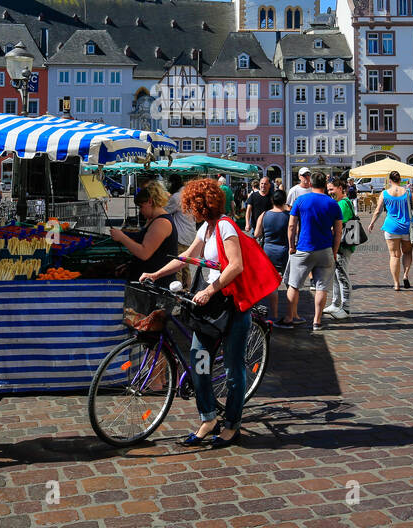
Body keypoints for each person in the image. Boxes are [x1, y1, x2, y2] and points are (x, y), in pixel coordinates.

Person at [139, 178, 249, 448]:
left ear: (204, 205)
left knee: (234, 371)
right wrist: (156, 273)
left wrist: (210, 290)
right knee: (199, 364)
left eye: (193, 206)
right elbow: (186, 256)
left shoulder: (225, 226)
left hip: (232, 306)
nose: (190, 211)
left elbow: (236, 266)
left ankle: (232, 425)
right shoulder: (206, 229)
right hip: (209, 308)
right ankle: (208, 418)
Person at [284, 171, 343, 333]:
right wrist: (334, 251)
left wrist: (291, 245)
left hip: (303, 247)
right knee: (321, 287)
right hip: (324, 250)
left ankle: (289, 318)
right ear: (325, 184)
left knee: (294, 285)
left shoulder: (301, 200)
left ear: (310, 184)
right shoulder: (333, 204)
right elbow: (338, 232)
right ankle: (317, 321)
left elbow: (291, 226)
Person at [109, 181, 177, 279]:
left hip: (156, 283)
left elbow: (144, 253)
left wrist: (122, 237)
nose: (140, 210)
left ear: (150, 201)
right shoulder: (152, 219)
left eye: (141, 206)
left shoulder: (161, 223)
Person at [365, 170, 413, 290]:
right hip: (407, 227)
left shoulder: (384, 193)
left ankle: (396, 283)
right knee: (407, 252)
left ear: (390, 180)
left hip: (391, 227)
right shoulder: (408, 192)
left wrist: (372, 223)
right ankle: (405, 275)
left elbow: (378, 210)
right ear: (400, 180)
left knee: (394, 256)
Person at [258, 189, 292, 322]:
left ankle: (274, 314)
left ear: (272, 200)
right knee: (290, 283)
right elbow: (294, 232)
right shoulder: (289, 216)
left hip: (268, 251)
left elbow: (257, 234)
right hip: (284, 251)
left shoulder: (265, 214)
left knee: (273, 285)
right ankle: (291, 313)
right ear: (284, 201)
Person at [325, 176, 356, 320]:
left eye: (332, 189)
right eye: (328, 189)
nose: (330, 192)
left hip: (343, 245)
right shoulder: (341, 202)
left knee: (342, 275)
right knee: (337, 275)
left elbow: (336, 228)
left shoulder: (342, 204)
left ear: (340, 188)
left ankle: (346, 308)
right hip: (342, 244)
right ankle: (336, 303)